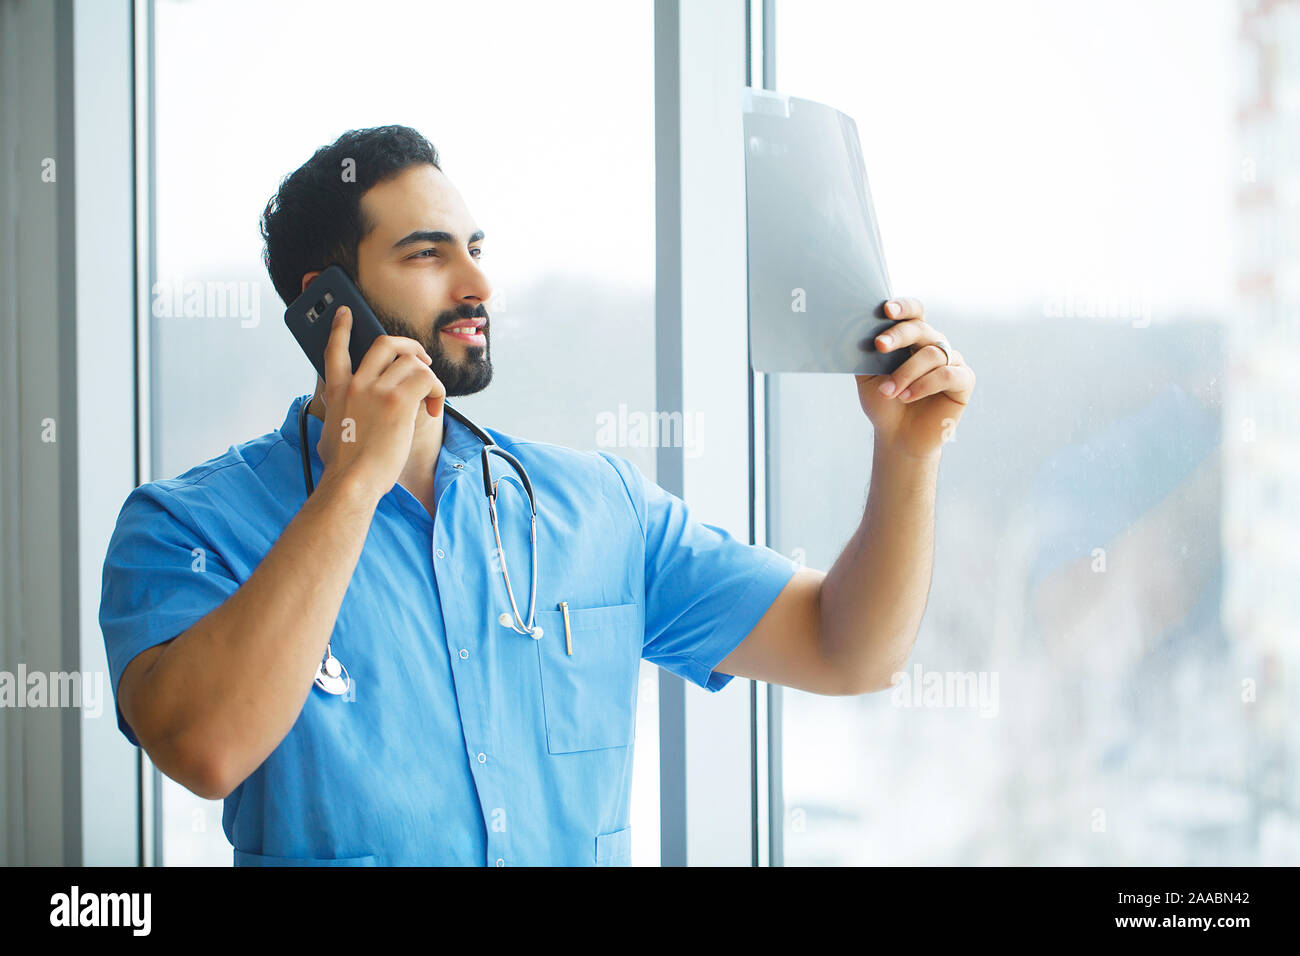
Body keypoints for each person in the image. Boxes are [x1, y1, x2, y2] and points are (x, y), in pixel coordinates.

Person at [98, 125, 975, 866]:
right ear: (325, 303)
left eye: (475, 250)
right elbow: (205, 746)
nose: (477, 286)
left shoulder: (598, 507)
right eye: (427, 254)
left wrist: (907, 454)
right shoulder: (184, 528)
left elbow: (849, 648)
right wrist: (355, 483)